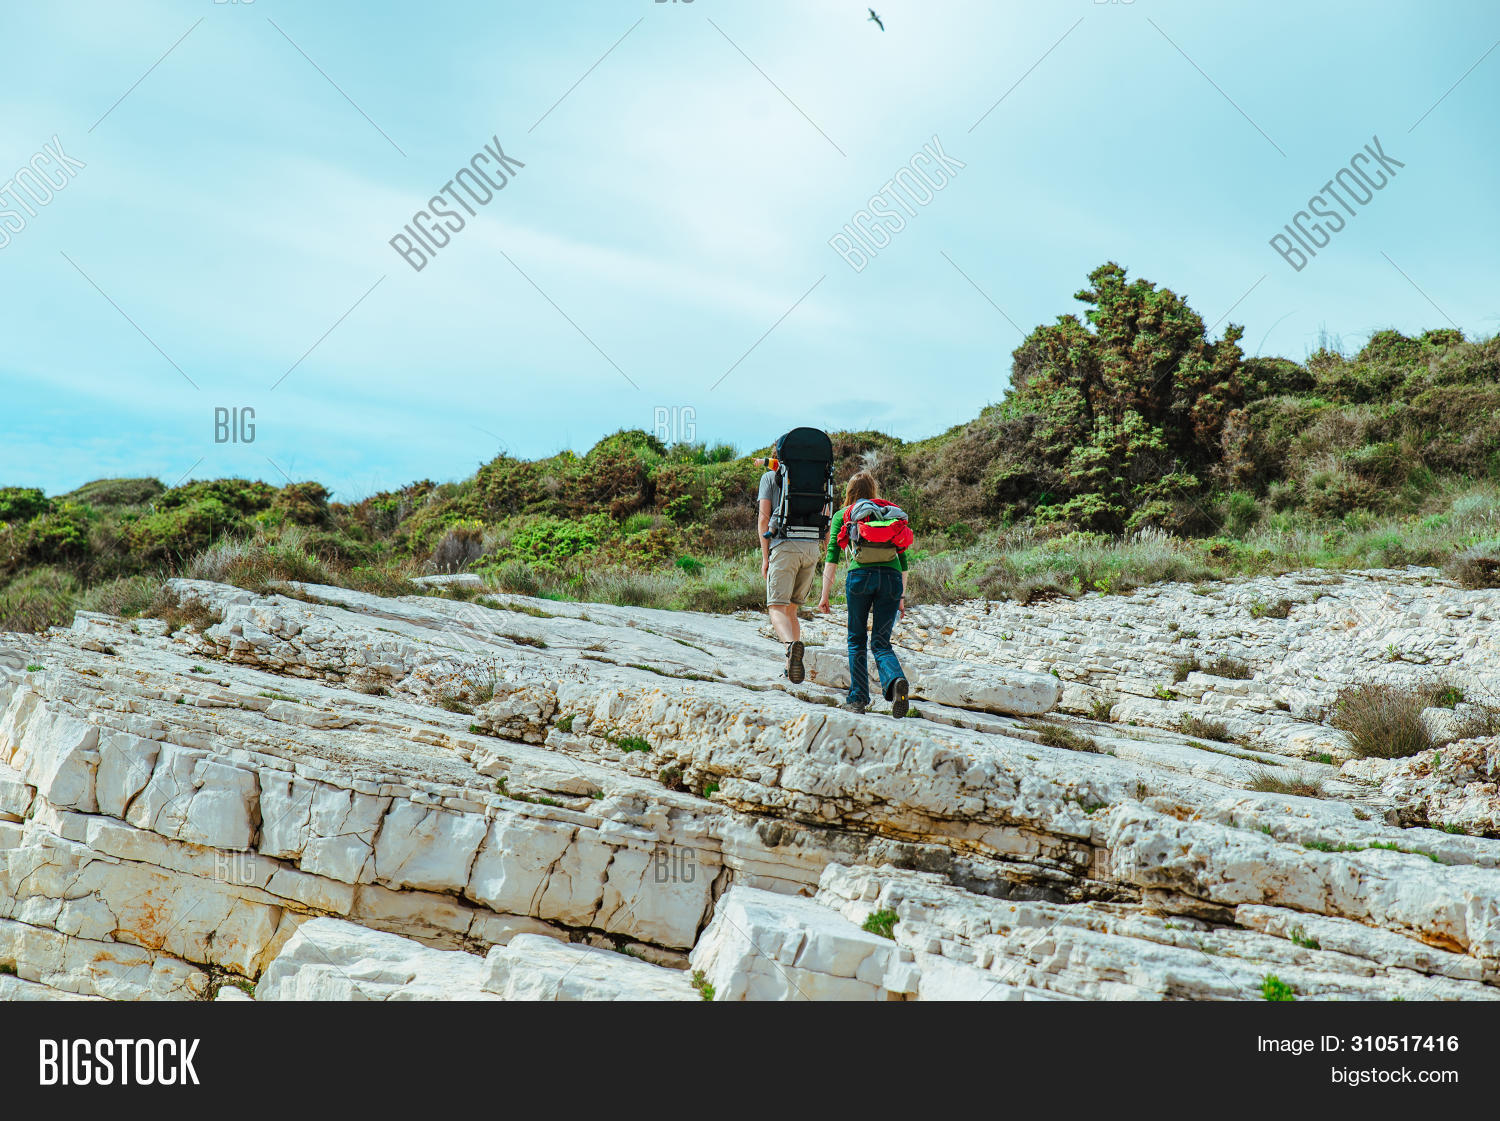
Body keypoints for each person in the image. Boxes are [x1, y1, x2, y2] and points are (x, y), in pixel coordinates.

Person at [817, 471, 909, 716]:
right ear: (873, 490)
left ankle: (858, 699)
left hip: (860, 578)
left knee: (856, 639)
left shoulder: (842, 515)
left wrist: (824, 595)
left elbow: (832, 558)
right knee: (880, 642)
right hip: (891, 579)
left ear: (849, 492)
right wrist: (901, 596)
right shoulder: (887, 512)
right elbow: (903, 558)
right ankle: (896, 681)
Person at [757, 451, 824, 683]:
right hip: (812, 548)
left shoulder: (769, 477)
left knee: (776, 607)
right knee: (792, 610)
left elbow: (764, 519)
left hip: (785, 546)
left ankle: (790, 647)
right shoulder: (816, 479)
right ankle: (791, 667)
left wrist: (766, 557)